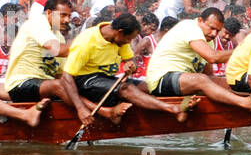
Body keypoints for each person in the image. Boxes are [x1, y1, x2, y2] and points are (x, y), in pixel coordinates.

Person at [64, 12, 197, 121]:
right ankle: (173, 109)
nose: (129, 43)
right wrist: (80, 108)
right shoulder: (85, 42)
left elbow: (131, 61)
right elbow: (66, 77)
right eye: (128, 39)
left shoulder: (119, 39)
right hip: (84, 81)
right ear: (120, 32)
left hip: (105, 78)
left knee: (149, 86)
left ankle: (181, 103)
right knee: (126, 88)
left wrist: (131, 66)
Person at [0, 0, 94, 123]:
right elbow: (56, 49)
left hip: (43, 86)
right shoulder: (37, 22)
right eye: (62, 15)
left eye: (69, 16)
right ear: (49, 13)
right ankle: (93, 112)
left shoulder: (59, 37)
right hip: (20, 85)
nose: (67, 20)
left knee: (74, 86)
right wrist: (87, 45)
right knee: (60, 86)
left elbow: (61, 75)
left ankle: (95, 110)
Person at [144, 6, 251, 111]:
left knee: (226, 82)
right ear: (200, 21)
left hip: (184, 82)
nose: (213, 34)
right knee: (201, 79)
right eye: (211, 28)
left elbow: (209, 76)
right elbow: (212, 57)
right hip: (160, 80)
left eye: (217, 30)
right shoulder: (190, 27)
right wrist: (244, 51)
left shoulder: (209, 42)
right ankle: (245, 103)